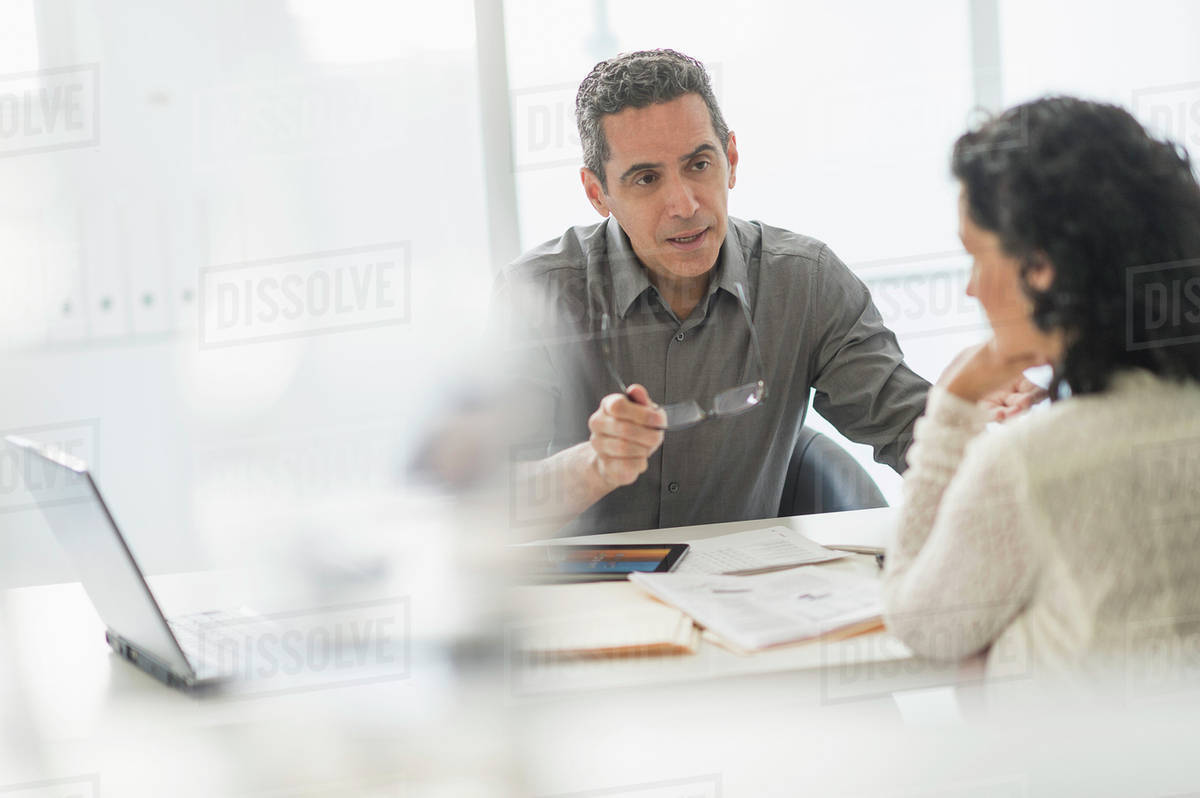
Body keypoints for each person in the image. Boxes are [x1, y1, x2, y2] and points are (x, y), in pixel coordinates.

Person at [493, 49, 1033, 537]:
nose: (684, 203)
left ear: (730, 159)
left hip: (742, 601)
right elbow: (487, 506)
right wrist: (596, 465)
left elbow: (909, 428)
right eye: (646, 180)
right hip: (580, 610)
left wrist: (978, 418)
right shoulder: (536, 295)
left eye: (698, 164)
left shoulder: (805, 280)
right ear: (597, 193)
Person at [882, 96, 1200, 689]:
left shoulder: (1029, 463)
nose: (973, 288)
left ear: (1042, 267)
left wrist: (952, 404)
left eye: (976, 255)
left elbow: (921, 623)